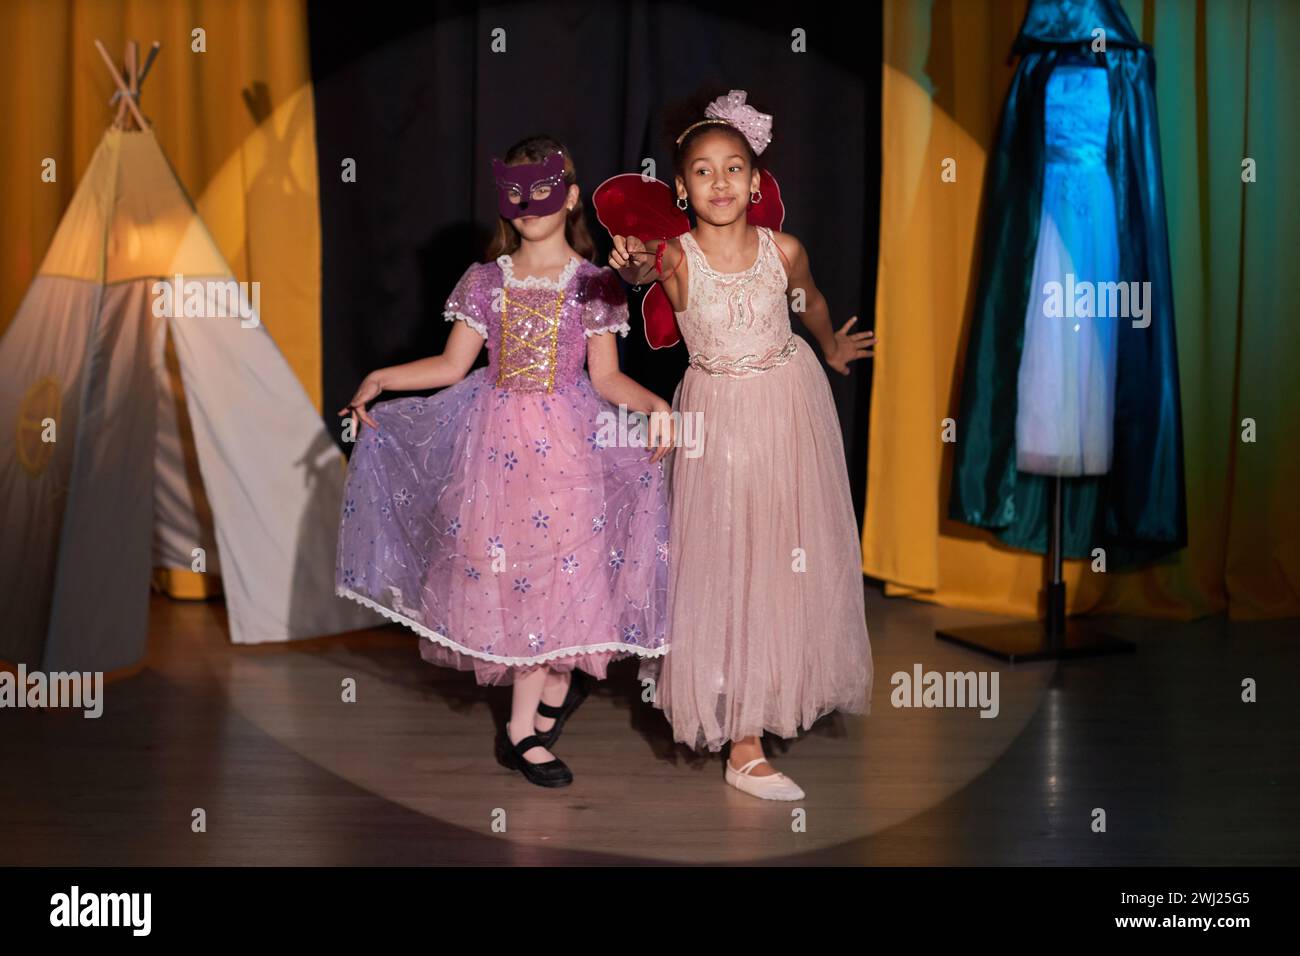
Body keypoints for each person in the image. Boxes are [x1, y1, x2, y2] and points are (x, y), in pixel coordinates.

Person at [337, 135, 673, 788]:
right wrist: (382, 375)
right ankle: (523, 732)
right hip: (496, 453)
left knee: (567, 574)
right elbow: (450, 364)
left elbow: (606, 378)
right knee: (514, 578)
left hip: (571, 448)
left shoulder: (596, 285)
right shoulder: (486, 280)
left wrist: (654, 402)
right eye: (514, 190)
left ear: (571, 195)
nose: (527, 202)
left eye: (543, 187)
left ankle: (553, 690)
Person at [610, 91, 874, 800]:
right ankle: (742, 741)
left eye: (734, 168)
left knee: (786, 552)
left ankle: (770, 686)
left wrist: (830, 344)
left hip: (789, 405)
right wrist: (632, 265)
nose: (721, 182)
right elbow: (637, 276)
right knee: (729, 555)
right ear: (681, 186)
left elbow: (808, 299)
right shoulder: (674, 258)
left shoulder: (782, 249)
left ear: (757, 183)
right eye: (703, 170)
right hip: (718, 418)